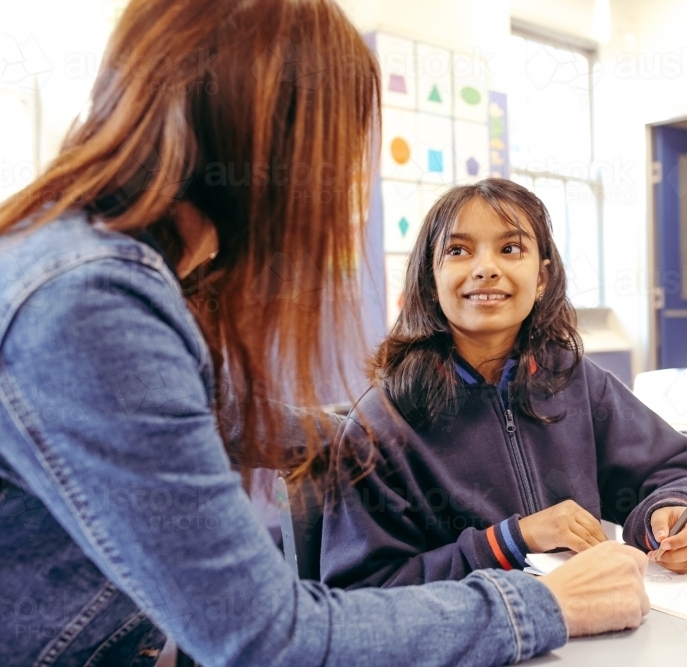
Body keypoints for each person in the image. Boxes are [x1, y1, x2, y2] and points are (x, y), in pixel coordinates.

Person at [0, 2, 651, 666]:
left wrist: (362, 433)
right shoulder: (89, 304)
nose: (339, 190)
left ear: (544, 275)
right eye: (335, 151)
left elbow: (217, 415)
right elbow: (266, 637)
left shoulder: (93, 270)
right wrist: (547, 601)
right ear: (270, 145)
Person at [320, 179, 687, 591]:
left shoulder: (574, 380)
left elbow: (672, 470)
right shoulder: (384, 422)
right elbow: (363, 596)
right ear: (430, 277)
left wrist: (674, 513)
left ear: (542, 278)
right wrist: (512, 540)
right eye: (458, 250)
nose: (486, 268)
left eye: (510, 249)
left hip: (589, 634)